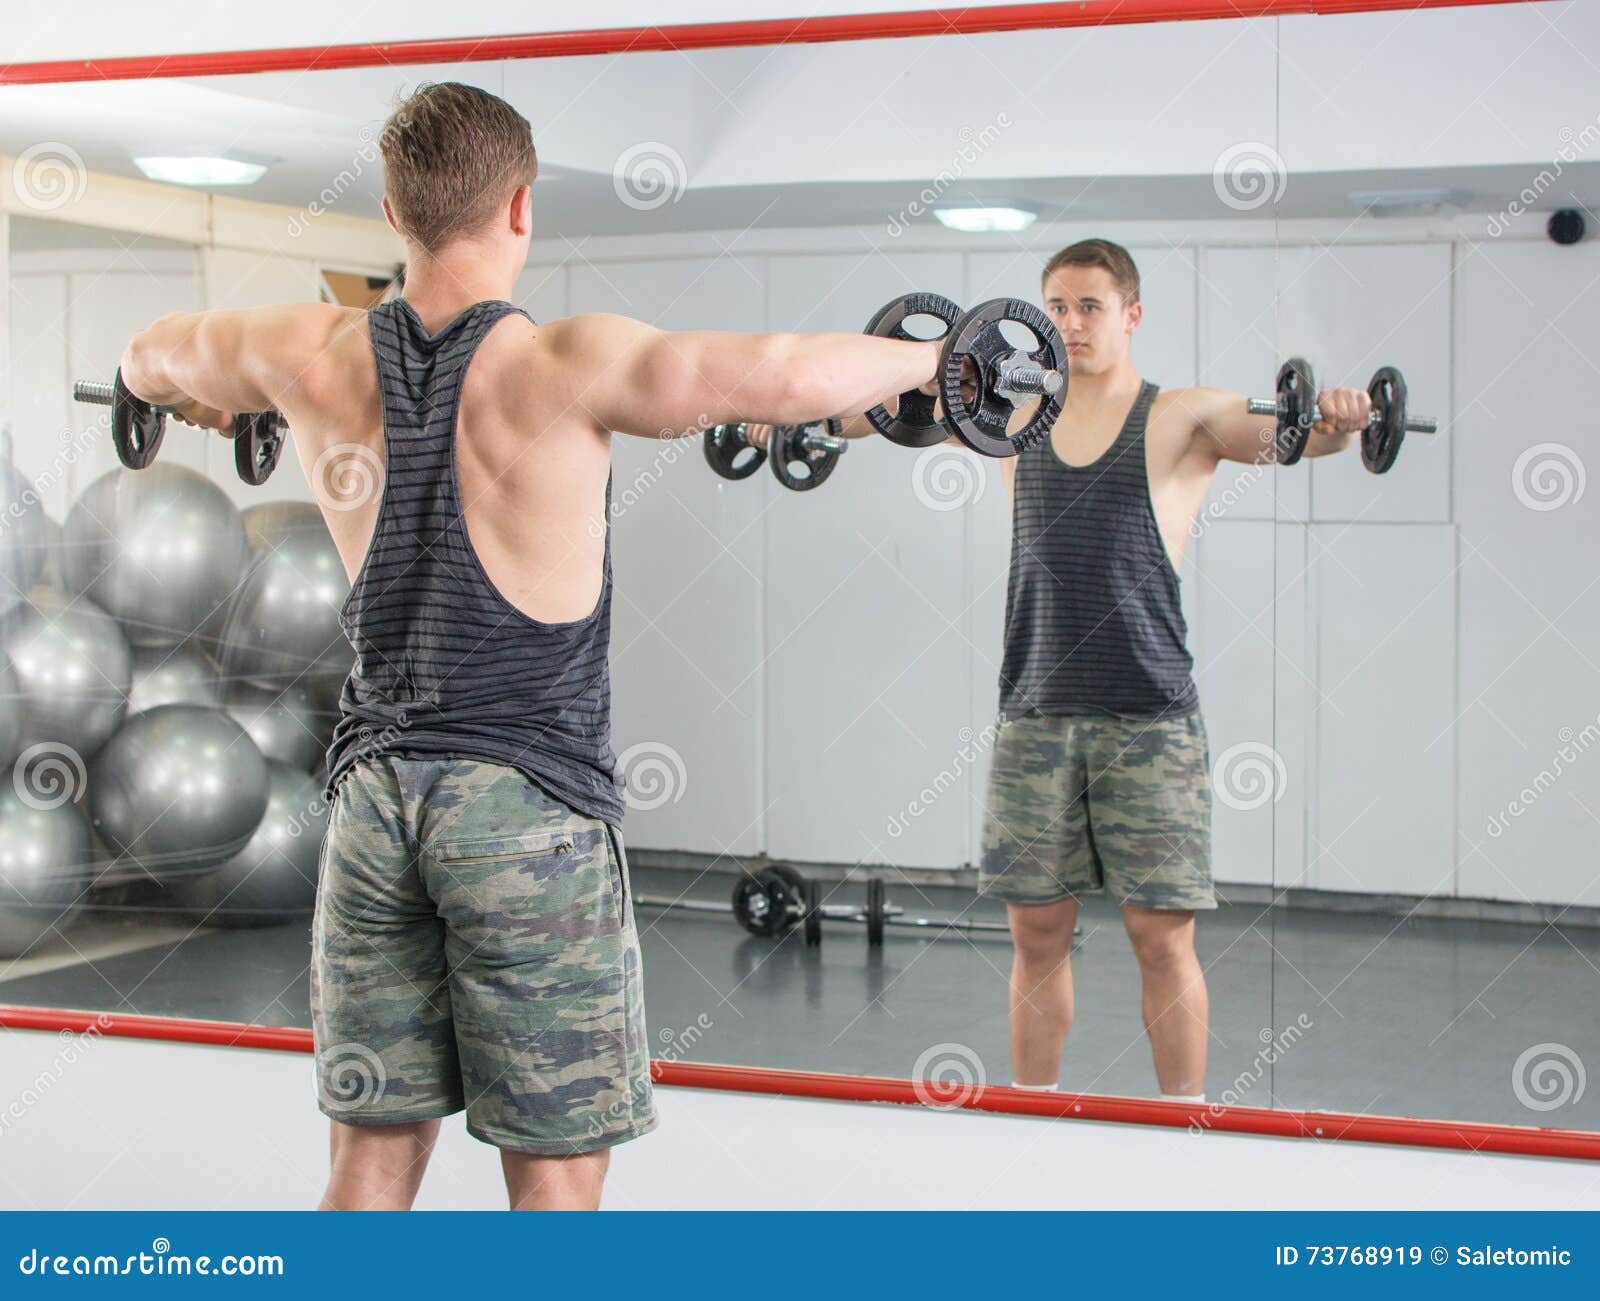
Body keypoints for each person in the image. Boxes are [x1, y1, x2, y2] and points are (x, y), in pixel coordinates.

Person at [114, 80, 946, 1211]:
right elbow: (792, 376)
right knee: (553, 1167)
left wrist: (199, 396)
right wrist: (938, 361)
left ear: (396, 212)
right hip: (525, 803)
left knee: (369, 1158)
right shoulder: (565, 362)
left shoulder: (302, 351)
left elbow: (152, 353)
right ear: (521, 206)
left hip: (372, 802)